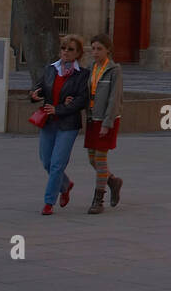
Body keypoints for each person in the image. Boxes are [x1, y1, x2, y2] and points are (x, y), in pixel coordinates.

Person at [30, 36, 91, 215]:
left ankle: (49, 202)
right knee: (46, 161)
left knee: (57, 163)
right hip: (48, 122)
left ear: (78, 53)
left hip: (68, 124)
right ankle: (65, 185)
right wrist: (34, 95)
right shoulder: (51, 70)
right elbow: (38, 88)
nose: (66, 52)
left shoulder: (83, 75)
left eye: (70, 49)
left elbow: (81, 99)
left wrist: (60, 109)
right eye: (64, 48)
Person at [83, 34, 124, 215]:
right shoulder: (91, 67)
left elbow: (115, 98)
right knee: (92, 159)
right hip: (93, 118)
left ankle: (98, 199)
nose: (95, 52)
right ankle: (113, 181)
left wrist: (107, 123)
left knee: (100, 159)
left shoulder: (114, 70)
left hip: (107, 120)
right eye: (93, 48)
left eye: (99, 49)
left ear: (108, 50)